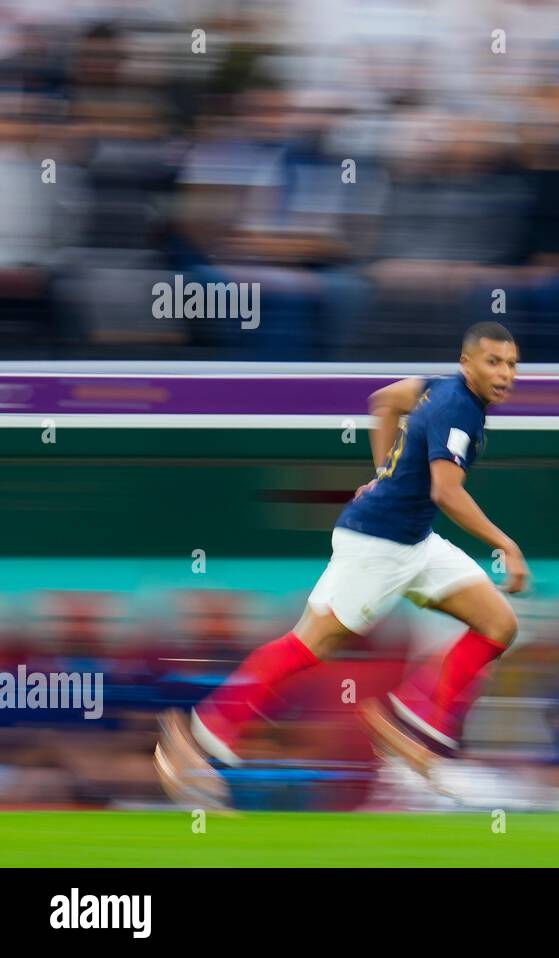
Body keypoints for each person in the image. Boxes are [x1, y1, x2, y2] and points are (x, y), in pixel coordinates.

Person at [154, 322, 527, 808]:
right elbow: (446, 491)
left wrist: (380, 476)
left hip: (415, 542)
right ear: (468, 364)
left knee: (498, 624)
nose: (504, 374)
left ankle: (409, 720)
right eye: (493, 362)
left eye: (512, 364)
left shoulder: (439, 388)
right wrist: (506, 546)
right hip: (376, 546)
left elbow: (383, 401)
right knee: (308, 645)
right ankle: (199, 738)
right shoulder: (460, 410)